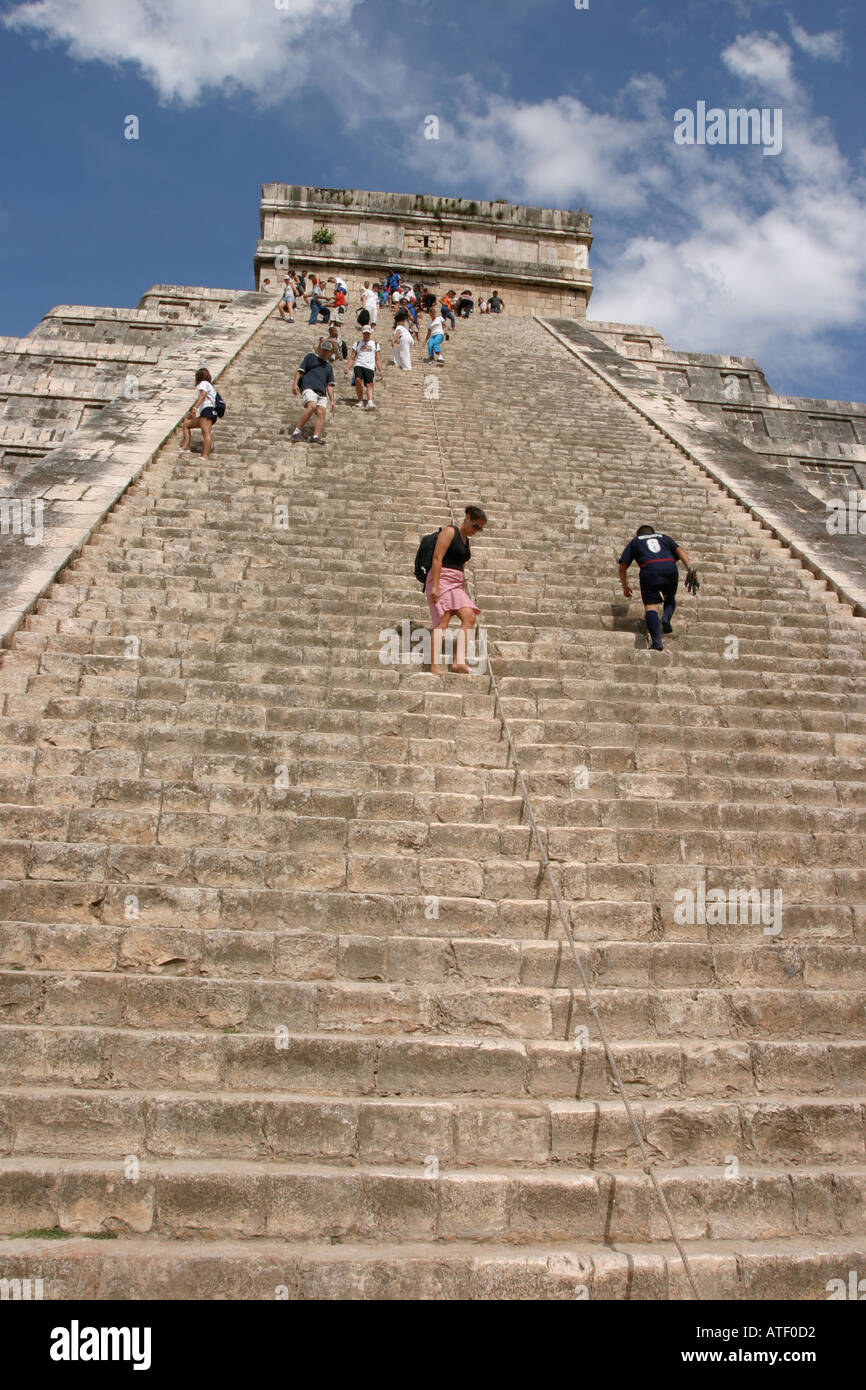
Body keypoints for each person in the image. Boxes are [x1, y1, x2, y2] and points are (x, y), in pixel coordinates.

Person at [426, 506, 487, 676]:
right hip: (441, 579)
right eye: (475, 526)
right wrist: (436, 586)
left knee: (470, 617)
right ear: (467, 518)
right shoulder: (449, 532)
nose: (477, 530)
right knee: (443, 621)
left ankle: (458, 661)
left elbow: (461, 564)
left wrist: (461, 585)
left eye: (480, 528)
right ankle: (434, 666)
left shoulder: (467, 541)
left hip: (456, 584)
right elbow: (437, 558)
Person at [618, 524, 693, 651]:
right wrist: (689, 567)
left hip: (649, 569)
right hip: (670, 567)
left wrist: (625, 587)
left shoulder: (635, 541)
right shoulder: (664, 537)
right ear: (653, 533)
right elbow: (680, 551)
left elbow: (623, 566)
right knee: (669, 596)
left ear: (639, 534)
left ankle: (657, 642)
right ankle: (666, 618)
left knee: (650, 606)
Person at [290, 339, 336, 444]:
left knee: (322, 412)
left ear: (330, 352)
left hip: (322, 392)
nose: (325, 352)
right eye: (323, 349)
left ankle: (315, 436)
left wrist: (332, 400)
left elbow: (330, 385)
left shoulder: (329, 367)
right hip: (309, 387)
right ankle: (296, 432)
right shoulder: (310, 357)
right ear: (319, 349)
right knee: (312, 406)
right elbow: (300, 371)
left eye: (327, 350)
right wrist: (295, 384)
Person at [179, 367, 219, 460]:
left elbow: (202, 395)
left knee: (206, 433)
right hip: (211, 412)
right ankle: (186, 447)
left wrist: (194, 408)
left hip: (207, 411)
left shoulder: (204, 384)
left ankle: (205, 455)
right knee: (186, 424)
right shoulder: (211, 386)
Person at [347, 326, 384, 409]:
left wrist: (380, 370)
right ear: (362, 333)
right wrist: (348, 368)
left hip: (370, 366)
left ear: (370, 333)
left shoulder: (375, 344)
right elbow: (352, 357)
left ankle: (370, 401)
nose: (366, 335)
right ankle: (360, 400)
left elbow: (378, 359)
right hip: (359, 364)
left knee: (369, 384)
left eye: (368, 333)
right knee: (357, 380)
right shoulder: (357, 344)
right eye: (365, 333)